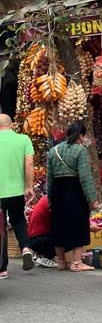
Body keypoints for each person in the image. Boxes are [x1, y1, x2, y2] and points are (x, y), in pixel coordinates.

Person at [46, 122, 98, 272]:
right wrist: (92, 199)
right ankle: (76, 263)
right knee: (79, 224)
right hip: (75, 192)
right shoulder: (80, 151)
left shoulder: (53, 151)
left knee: (58, 225)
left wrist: (50, 199)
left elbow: (49, 179)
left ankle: (62, 262)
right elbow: (85, 177)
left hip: (57, 192)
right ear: (80, 136)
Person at [0, 113, 36, 277]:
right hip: (15, 192)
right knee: (18, 220)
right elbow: (29, 163)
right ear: (12, 125)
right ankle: (25, 248)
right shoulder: (23, 139)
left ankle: (2, 268)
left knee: (1, 229)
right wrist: (29, 187)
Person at [26, 195, 58, 268]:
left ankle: (45, 256)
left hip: (34, 238)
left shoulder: (47, 198)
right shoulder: (53, 200)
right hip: (40, 239)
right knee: (74, 235)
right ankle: (48, 257)